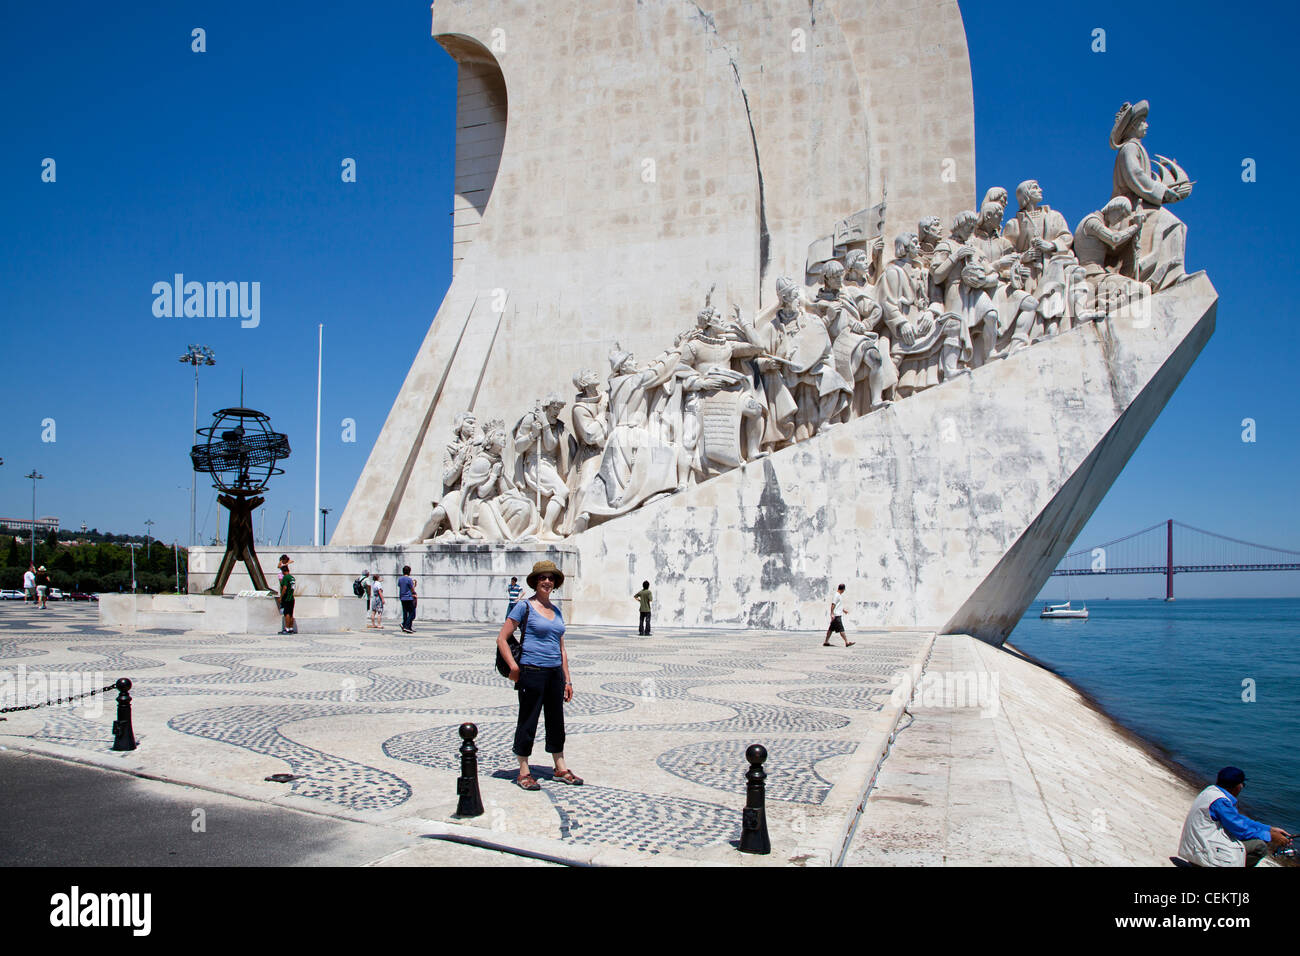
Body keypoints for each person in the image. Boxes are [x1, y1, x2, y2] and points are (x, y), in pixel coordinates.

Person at [495, 560, 582, 791]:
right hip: (532, 671)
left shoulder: (556, 611)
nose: (547, 581)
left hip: (554, 673)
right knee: (528, 719)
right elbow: (502, 638)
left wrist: (567, 679)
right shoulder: (524, 607)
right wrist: (514, 667)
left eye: (550, 578)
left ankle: (560, 766)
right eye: (542, 578)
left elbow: (561, 648)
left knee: (556, 720)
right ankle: (524, 770)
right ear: (535, 582)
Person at [1178, 766, 1291, 867]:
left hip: (1193, 849)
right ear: (1237, 786)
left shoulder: (1210, 792)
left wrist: (1269, 829)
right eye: (1242, 784)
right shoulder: (1221, 801)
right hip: (1202, 853)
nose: (1242, 787)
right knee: (1259, 846)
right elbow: (1241, 830)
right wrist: (1270, 836)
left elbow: (1238, 820)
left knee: (1254, 836)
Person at [277, 555, 297, 634]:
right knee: (291, 613)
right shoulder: (292, 577)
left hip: (287, 598)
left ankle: (287, 628)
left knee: (287, 614)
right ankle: (291, 628)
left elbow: (284, 588)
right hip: (292, 598)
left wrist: (281, 597)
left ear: (284, 571)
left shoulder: (286, 578)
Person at [398, 565, 417, 634]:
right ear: (409, 572)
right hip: (408, 597)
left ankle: (405, 624)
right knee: (412, 613)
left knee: (405, 612)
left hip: (402, 597)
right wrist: (414, 593)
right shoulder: (409, 579)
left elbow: (399, 586)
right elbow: (412, 588)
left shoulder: (400, 579)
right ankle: (406, 626)